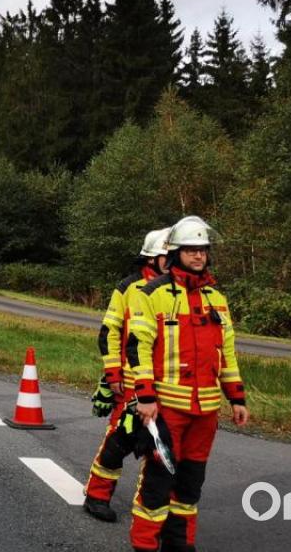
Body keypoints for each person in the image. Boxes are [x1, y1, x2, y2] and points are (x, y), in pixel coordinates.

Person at [128, 216, 248, 552]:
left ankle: (180, 543)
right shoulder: (153, 294)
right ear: (177, 252)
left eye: (203, 251)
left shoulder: (217, 300)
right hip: (166, 410)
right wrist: (145, 397)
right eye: (191, 250)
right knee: (157, 482)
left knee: (190, 484)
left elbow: (227, 354)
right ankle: (145, 544)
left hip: (206, 411)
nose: (198, 256)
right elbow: (138, 347)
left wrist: (237, 398)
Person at [82, 227, 170, 522]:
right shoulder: (129, 287)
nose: (171, 262)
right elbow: (109, 332)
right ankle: (97, 495)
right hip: (130, 384)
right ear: (151, 257)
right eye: (165, 256)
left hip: (167, 388)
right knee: (119, 443)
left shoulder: (179, 292)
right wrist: (112, 373)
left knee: (159, 452)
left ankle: (150, 509)